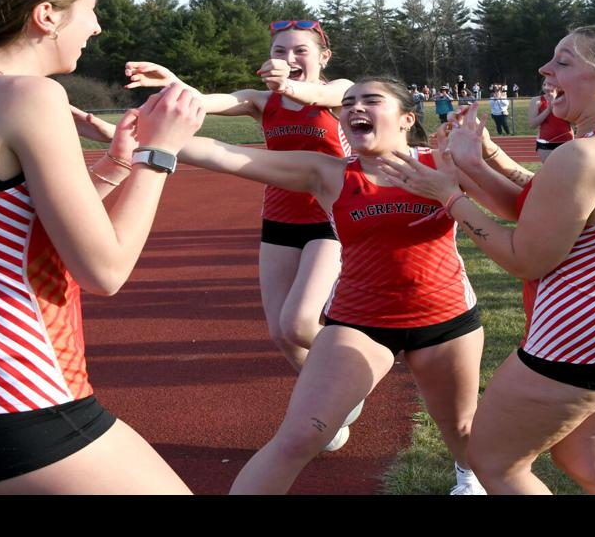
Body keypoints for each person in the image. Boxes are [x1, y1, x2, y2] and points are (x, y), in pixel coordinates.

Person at [0, 0, 205, 493]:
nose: (96, 27)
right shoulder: (31, 95)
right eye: (92, 9)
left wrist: (118, 162)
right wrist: (160, 153)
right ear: (46, 15)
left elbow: (14, 226)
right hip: (19, 395)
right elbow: (105, 270)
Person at [374, 26, 595, 494]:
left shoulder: (584, 155)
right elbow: (534, 209)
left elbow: (524, 259)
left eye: (565, 62)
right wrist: (476, 162)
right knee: (593, 464)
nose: (546, 70)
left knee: (494, 463)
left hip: (581, 340)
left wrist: (448, 195)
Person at [173, 78, 487, 495]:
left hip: (446, 321)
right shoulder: (329, 173)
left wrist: (479, 161)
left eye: (371, 100)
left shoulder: (443, 165)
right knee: (298, 437)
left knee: (460, 426)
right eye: (349, 102)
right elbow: (223, 153)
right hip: (359, 324)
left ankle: (469, 478)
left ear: (407, 119)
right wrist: (152, 128)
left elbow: (519, 203)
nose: (355, 107)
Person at [124, 18, 353, 379]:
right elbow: (206, 101)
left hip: (330, 220)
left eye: (300, 51)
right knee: (281, 333)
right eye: (279, 51)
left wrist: (288, 83)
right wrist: (172, 82)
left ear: (324, 57)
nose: (288, 56)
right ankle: (330, 397)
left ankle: (356, 367)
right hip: (279, 220)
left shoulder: (341, 91)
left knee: (301, 323)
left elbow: (319, 96)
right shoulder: (259, 101)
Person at [529, 81, 574, 162]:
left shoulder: (566, 99)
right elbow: (532, 124)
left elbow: (574, 122)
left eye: (550, 84)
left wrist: (557, 105)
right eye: (544, 84)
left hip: (567, 140)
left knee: (568, 170)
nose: (547, 87)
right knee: (550, 171)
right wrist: (548, 109)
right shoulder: (536, 100)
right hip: (546, 141)